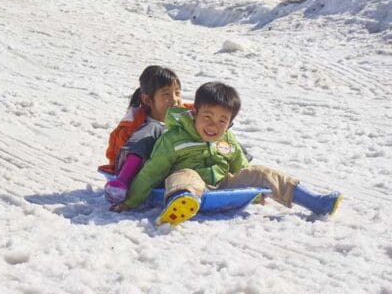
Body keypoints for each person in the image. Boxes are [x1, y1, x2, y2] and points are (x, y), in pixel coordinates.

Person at [111, 82, 342, 224]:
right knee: (185, 174)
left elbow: (240, 166)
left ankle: (316, 202)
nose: (213, 125)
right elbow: (153, 170)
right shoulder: (174, 138)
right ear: (194, 112)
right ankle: (183, 202)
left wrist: (254, 189)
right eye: (207, 117)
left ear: (230, 123)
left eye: (222, 120)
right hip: (189, 181)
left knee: (261, 172)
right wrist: (131, 200)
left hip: (222, 183)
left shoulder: (227, 138)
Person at [99, 66, 187, 204]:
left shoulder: (187, 116)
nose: (174, 99)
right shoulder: (135, 125)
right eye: (166, 94)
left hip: (173, 172)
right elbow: (117, 154)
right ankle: (123, 181)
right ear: (147, 100)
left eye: (177, 93)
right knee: (155, 129)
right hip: (140, 172)